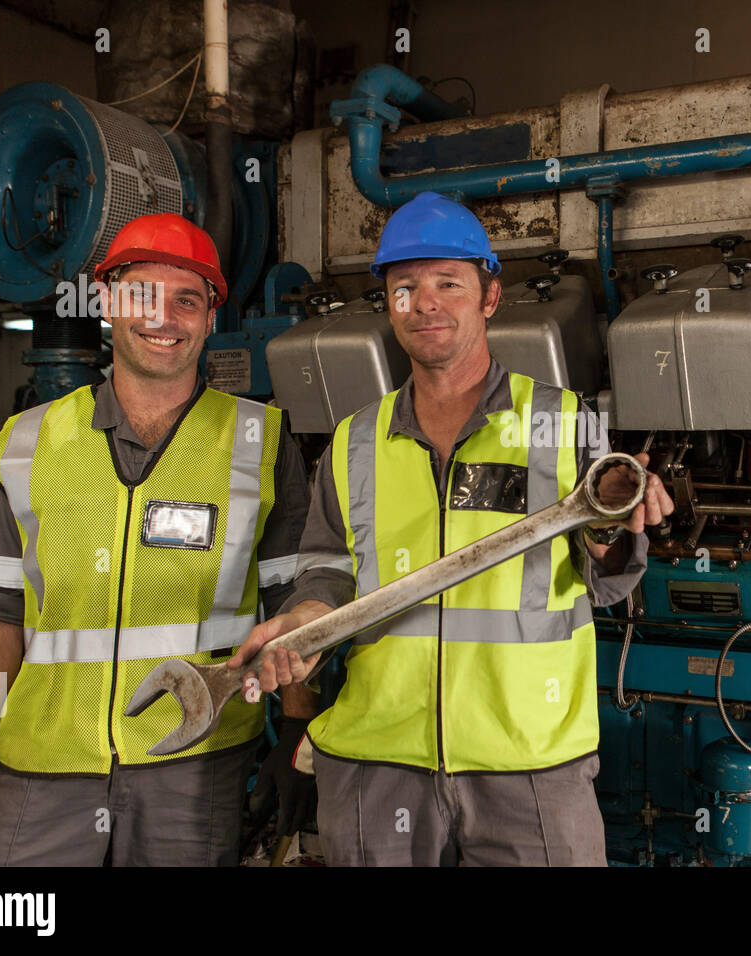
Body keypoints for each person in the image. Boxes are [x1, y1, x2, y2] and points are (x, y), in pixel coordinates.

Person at [230, 192, 674, 866]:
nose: (426, 303)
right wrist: (309, 618)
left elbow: (605, 577)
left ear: (489, 298)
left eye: (448, 283)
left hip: (528, 761)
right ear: (389, 304)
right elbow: (326, 567)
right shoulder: (355, 441)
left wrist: (612, 523)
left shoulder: (561, 420)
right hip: (378, 759)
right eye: (405, 287)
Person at [0, 213, 313, 866]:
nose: (166, 317)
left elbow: (292, 603)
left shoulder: (262, 443)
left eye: (188, 299)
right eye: (143, 296)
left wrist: (294, 731)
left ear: (210, 317)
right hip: (43, 770)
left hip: (196, 770)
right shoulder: (28, 443)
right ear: (106, 302)